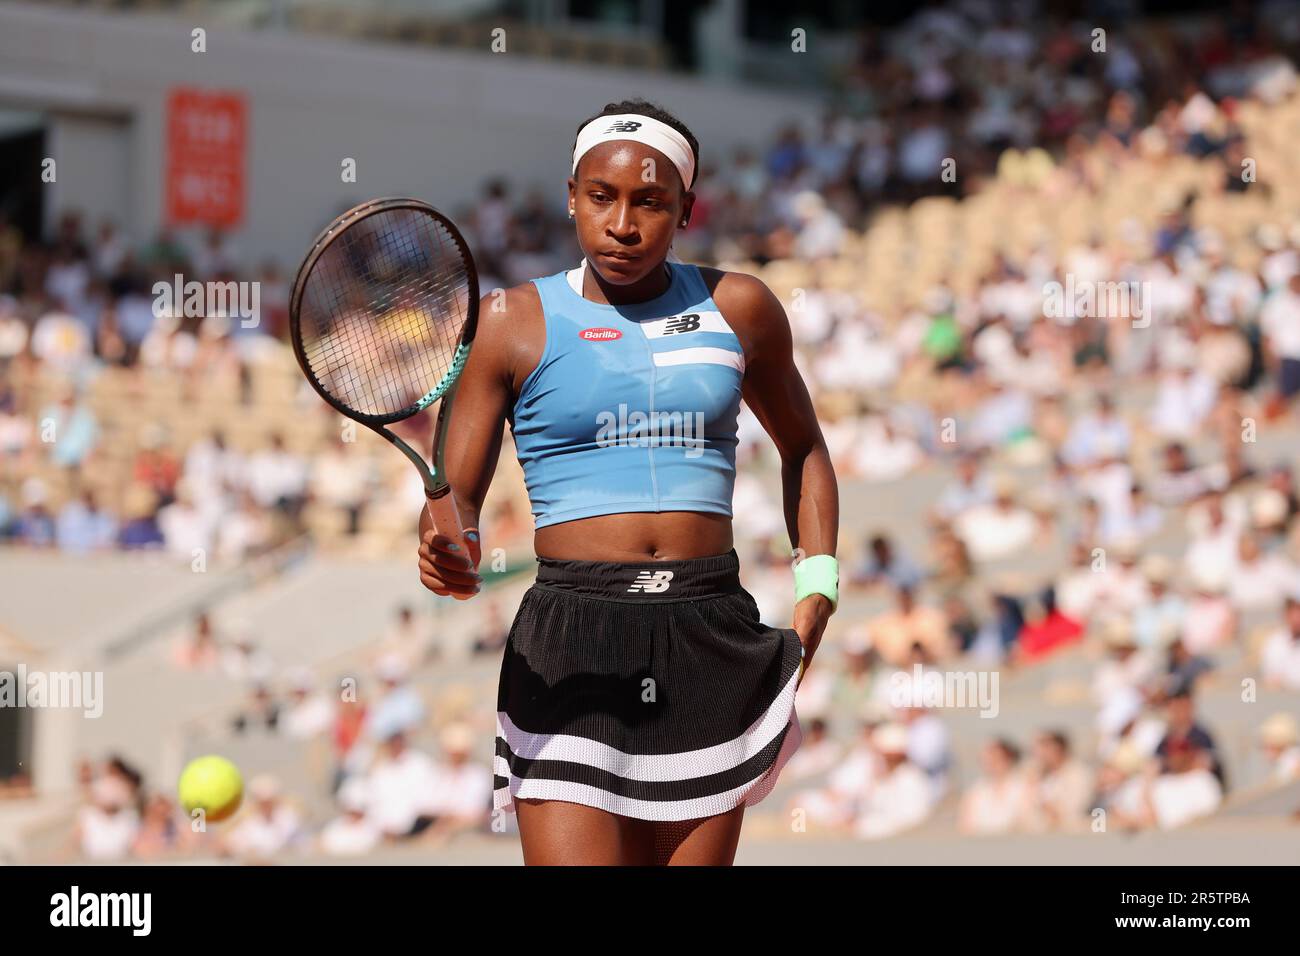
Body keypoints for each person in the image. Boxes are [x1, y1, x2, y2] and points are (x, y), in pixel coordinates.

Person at [416, 99, 838, 866]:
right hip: (571, 638)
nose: (623, 224)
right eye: (602, 197)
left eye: (651, 201)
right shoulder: (509, 321)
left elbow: (805, 449)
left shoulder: (739, 307)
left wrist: (820, 590)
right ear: (572, 195)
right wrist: (450, 550)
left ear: (686, 210)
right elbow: (457, 502)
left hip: (708, 632)